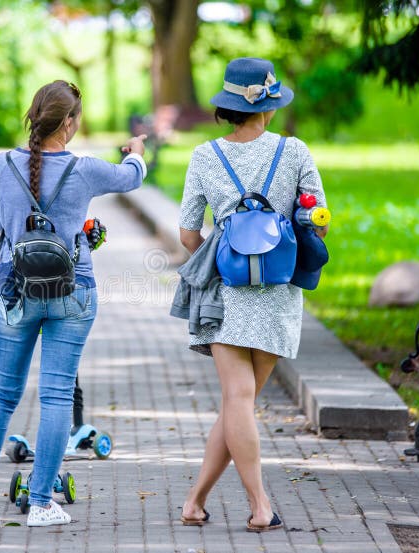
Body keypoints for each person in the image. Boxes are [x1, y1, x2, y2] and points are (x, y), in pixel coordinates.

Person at [0, 80, 147, 527]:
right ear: (70, 122)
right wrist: (135, 148)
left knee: (0, 394)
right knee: (57, 395)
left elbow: (3, 221)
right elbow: (132, 176)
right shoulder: (86, 169)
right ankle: (41, 503)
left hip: (14, 291)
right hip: (72, 292)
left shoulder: (2, 165)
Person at [174, 58, 328, 531]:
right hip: (278, 293)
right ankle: (261, 505)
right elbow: (318, 215)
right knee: (240, 400)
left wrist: (223, 261)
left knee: (235, 402)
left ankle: (195, 501)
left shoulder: (204, 156)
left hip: (226, 294)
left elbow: (186, 234)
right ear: (268, 106)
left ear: (226, 108)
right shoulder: (295, 151)